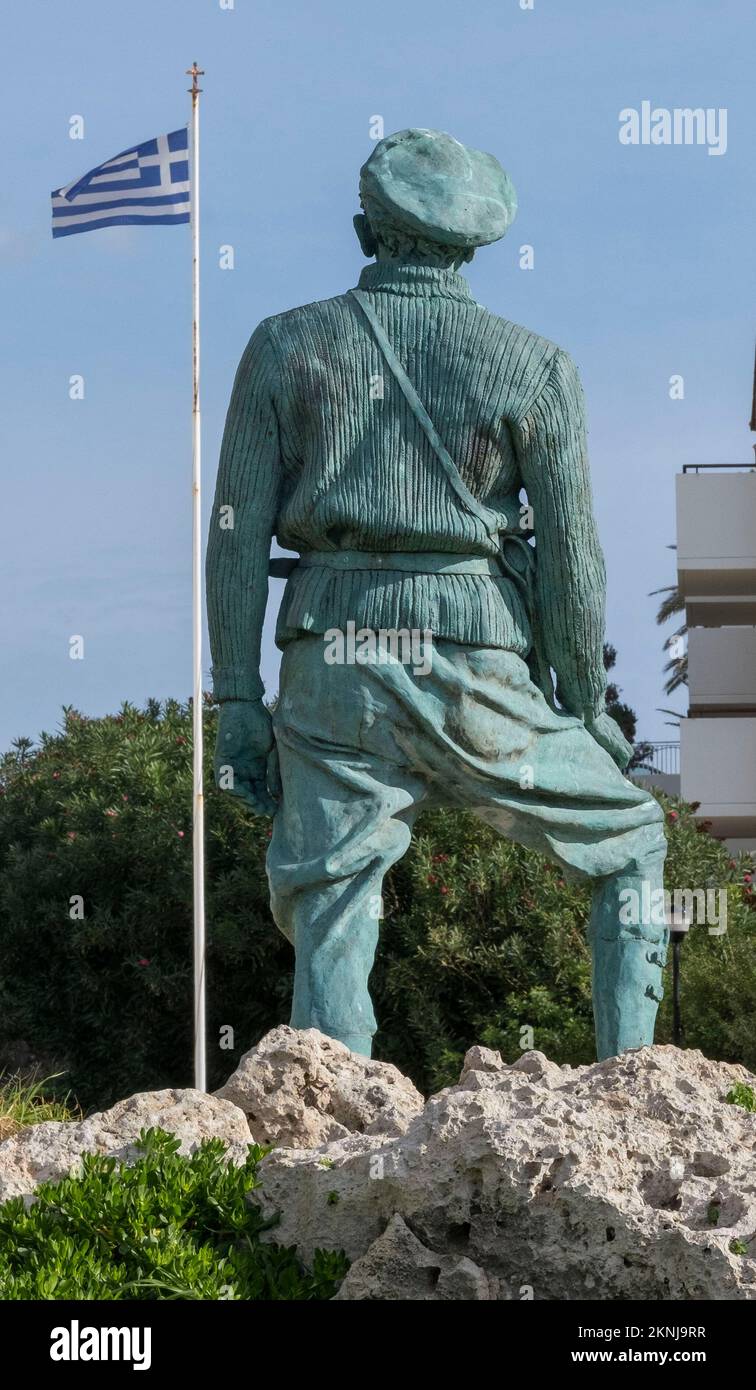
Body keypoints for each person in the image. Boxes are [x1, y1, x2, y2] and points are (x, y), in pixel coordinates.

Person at [206, 128, 667, 1061]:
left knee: (335, 892)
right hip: (473, 657)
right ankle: (629, 1082)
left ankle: (332, 1129)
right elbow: (576, 558)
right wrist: (584, 704)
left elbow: (234, 534)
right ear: (472, 247)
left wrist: (238, 698)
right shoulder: (534, 363)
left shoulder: (284, 344)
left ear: (362, 229)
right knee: (633, 841)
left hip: (330, 655)